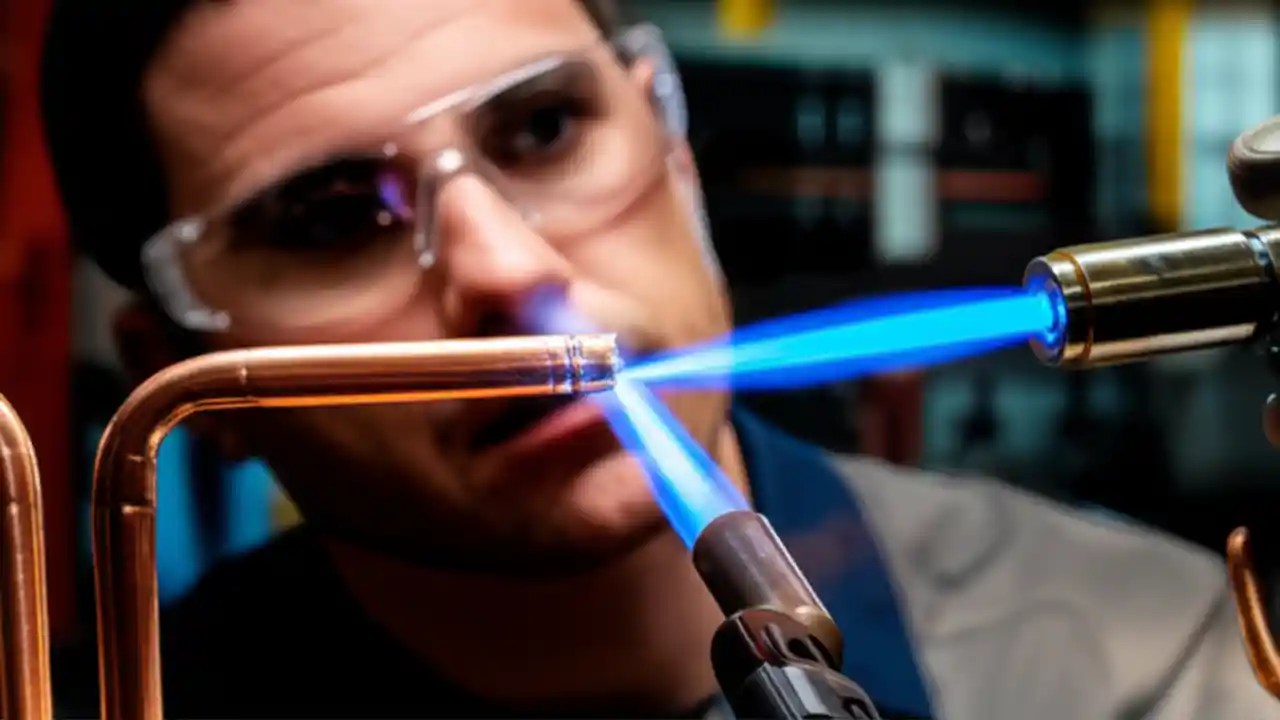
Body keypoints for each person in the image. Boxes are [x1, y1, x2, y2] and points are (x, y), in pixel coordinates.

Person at [39, 1, 1278, 717]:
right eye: (325, 217)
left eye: (540, 127)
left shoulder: (1169, 665)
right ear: (182, 368)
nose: (507, 270)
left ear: (673, 151)